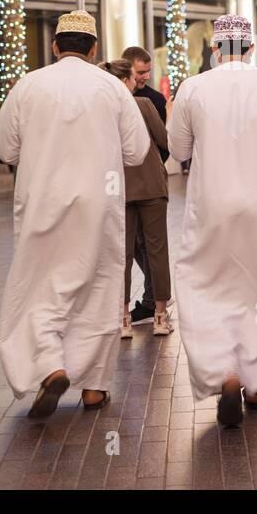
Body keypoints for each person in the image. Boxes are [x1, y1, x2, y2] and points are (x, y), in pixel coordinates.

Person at [0, 10, 149, 418]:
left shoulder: (28, 85)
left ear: (55, 46)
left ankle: (51, 367)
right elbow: (138, 150)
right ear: (94, 48)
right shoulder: (113, 88)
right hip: (99, 205)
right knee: (98, 288)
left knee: (39, 289)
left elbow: (4, 150)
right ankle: (94, 389)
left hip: (41, 204)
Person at [167, 15, 257, 427]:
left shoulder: (192, 87)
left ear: (213, 50)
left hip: (210, 206)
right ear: (252, 48)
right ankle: (255, 382)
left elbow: (178, 148)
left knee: (205, 287)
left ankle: (224, 372)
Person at [100, 59, 173, 339]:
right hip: (152, 186)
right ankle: (159, 316)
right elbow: (165, 141)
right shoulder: (143, 105)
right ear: (129, 81)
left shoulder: (103, 110)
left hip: (119, 188)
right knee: (157, 249)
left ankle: (124, 319)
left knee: (123, 255)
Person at [120, 45, 166, 326]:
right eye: (139, 72)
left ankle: (136, 308)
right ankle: (156, 306)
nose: (144, 77)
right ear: (127, 72)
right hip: (143, 185)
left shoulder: (154, 99)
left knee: (142, 248)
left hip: (129, 185)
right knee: (144, 248)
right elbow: (166, 140)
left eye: (148, 72)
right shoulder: (147, 104)